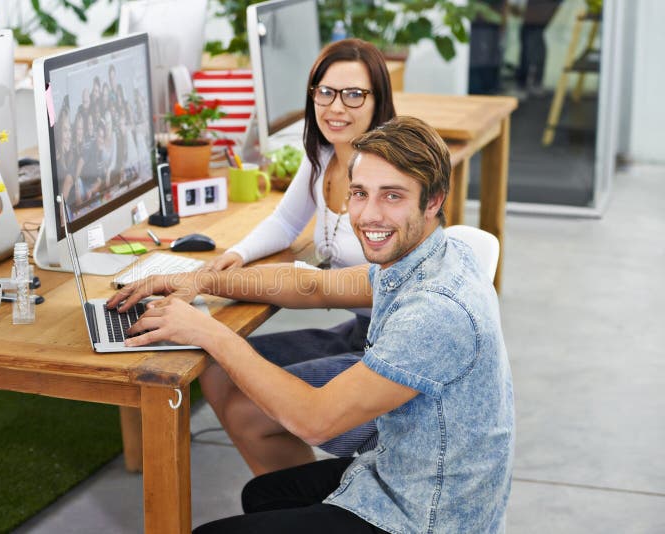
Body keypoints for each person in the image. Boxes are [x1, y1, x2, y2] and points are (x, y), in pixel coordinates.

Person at [108, 116, 514, 533]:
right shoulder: (430, 255)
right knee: (264, 495)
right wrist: (201, 279)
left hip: (426, 515)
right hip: (408, 473)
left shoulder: (434, 312)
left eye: (392, 196)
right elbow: (313, 285)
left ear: (433, 201)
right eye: (360, 193)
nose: (369, 215)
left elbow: (315, 421)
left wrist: (209, 332)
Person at [201, 38, 396, 474]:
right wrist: (236, 254)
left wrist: (301, 283)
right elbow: (287, 222)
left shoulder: (387, 176)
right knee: (215, 367)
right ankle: (289, 501)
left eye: (353, 95)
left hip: (390, 349)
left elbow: (390, 283)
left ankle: (304, 508)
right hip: (358, 330)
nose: (336, 107)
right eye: (325, 92)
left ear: (378, 100)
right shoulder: (324, 155)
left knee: (247, 411)